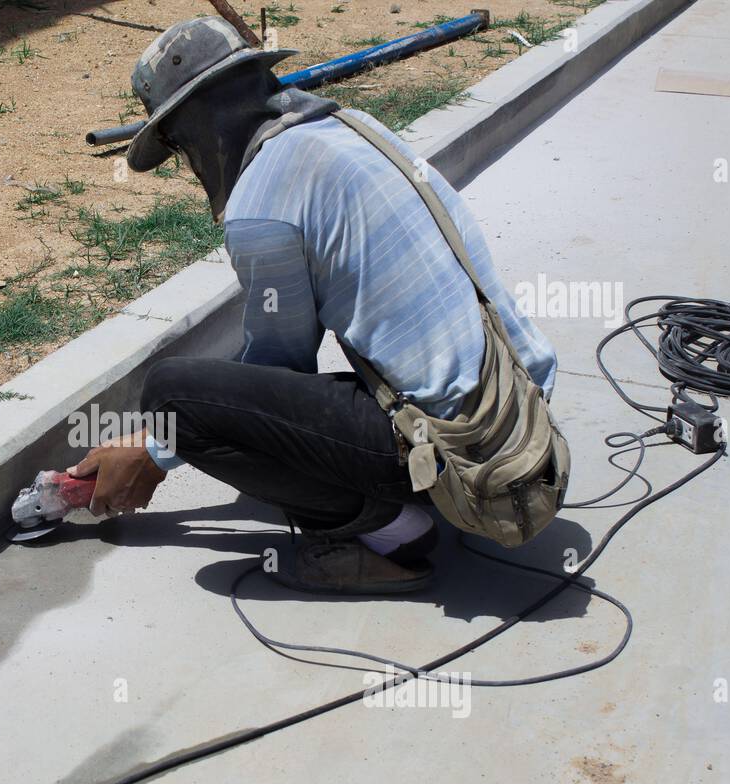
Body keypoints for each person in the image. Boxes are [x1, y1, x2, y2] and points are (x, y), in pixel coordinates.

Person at [69, 16, 557, 594]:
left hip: (465, 454)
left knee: (173, 398)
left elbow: (281, 365)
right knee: (202, 413)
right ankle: (399, 493)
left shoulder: (261, 203)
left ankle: (391, 529)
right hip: (522, 408)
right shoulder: (356, 127)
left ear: (196, 125)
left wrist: (153, 447)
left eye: (176, 143)